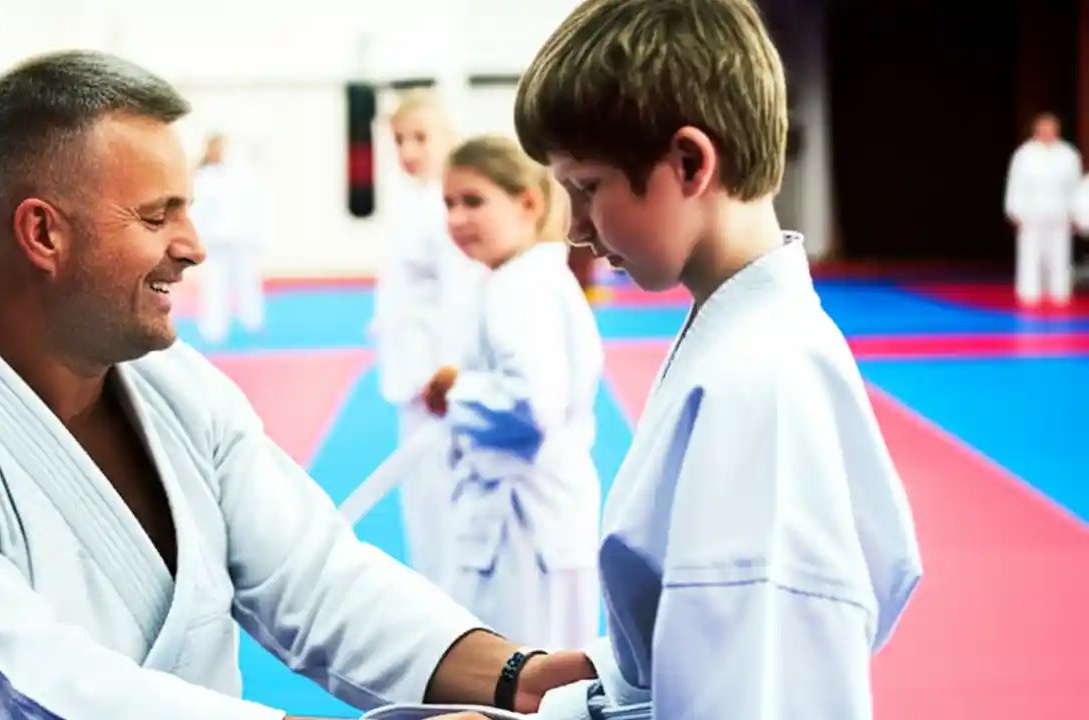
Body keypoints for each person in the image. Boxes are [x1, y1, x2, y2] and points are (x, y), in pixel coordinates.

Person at [0, 50, 594, 720]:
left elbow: (315, 579)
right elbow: (45, 696)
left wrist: (514, 678)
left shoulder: (175, 386)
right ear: (42, 232)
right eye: (158, 216)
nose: (193, 246)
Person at [509, 0, 924, 717]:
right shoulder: (739, 336)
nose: (573, 227)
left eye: (585, 187)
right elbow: (706, 632)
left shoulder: (760, 385)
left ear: (689, 163)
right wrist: (600, 673)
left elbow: (746, 690)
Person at [422, 135, 603, 651]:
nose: (457, 219)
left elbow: (534, 403)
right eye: (449, 204)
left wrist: (457, 392)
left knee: (516, 674)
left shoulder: (520, 286)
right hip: (545, 517)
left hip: (521, 530)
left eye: (474, 201)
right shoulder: (536, 276)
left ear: (528, 201)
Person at [371, 89, 486, 588]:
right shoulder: (412, 203)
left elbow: (463, 297)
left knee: (443, 514)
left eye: (421, 137)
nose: (409, 150)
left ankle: (455, 618)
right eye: (399, 139)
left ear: (449, 139)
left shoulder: (449, 208)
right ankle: (443, 603)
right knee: (423, 513)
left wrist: (449, 373)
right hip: (410, 375)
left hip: (437, 383)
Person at [192, 131, 268, 342]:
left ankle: (253, 322)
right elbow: (198, 211)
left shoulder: (240, 175)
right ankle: (213, 330)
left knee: (248, 281)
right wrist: (198, 238)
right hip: (216, 241)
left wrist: (256, 236)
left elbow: (252, 207)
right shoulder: (203, 177)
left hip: (242, 240)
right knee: (214, 285)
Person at [1003, 112, 1082, 307]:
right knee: (1030, 252)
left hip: (1060, 210)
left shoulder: (1068, 154)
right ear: (1036, 130)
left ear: (1058, 130)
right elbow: (1015, 183)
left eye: (1051, 128)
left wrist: (1077, 213)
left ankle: (1059, 291)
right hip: (1031, 211)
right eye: (1043, 127)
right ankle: (1029, 292)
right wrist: (1014, 210)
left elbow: (1075, 186)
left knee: (1060, 252)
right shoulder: (1024, 154)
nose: (1047, 131)